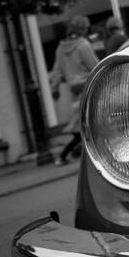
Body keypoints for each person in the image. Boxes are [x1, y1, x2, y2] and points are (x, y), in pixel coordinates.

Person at [48, 15, 100, 164]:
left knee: (84, 123)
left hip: (75, 91)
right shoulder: (83, 45)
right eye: (86, 27)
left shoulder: (61, 47)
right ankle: (72, 156)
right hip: (88, 86)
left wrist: (54, 88)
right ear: (83, 28)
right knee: (93, 123)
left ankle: (77, 153)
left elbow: (57, 70)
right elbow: (94, 66)